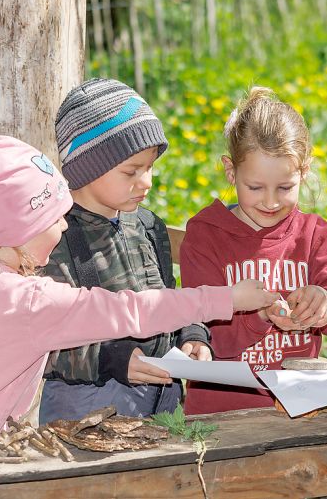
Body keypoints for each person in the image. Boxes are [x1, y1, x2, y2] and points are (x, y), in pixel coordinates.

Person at [0, 135, 278, 436]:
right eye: (56, 217)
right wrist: (227, 298)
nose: (65, 225)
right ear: (22, 228)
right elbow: (130, 310)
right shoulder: (27, 302)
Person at [181, 87, 327, 414]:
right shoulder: (206, 236)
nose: (270, 202)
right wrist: (260, 315)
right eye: (255, 188)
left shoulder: (313, 234)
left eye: (285, 188)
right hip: (221, 415)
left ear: (303, 173)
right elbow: (203, 332)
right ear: (230, 171)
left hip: (298, 411)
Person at [38, 78, 212, 423]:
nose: (146, 181)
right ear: (87, 168)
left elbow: (169, 298)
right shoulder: (53, 238)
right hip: (84, 409)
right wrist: (112, 359)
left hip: (163, 399)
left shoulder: (148, 226)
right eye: (132, 171)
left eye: (149, 167)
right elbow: (38, 337)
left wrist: (192, 334)